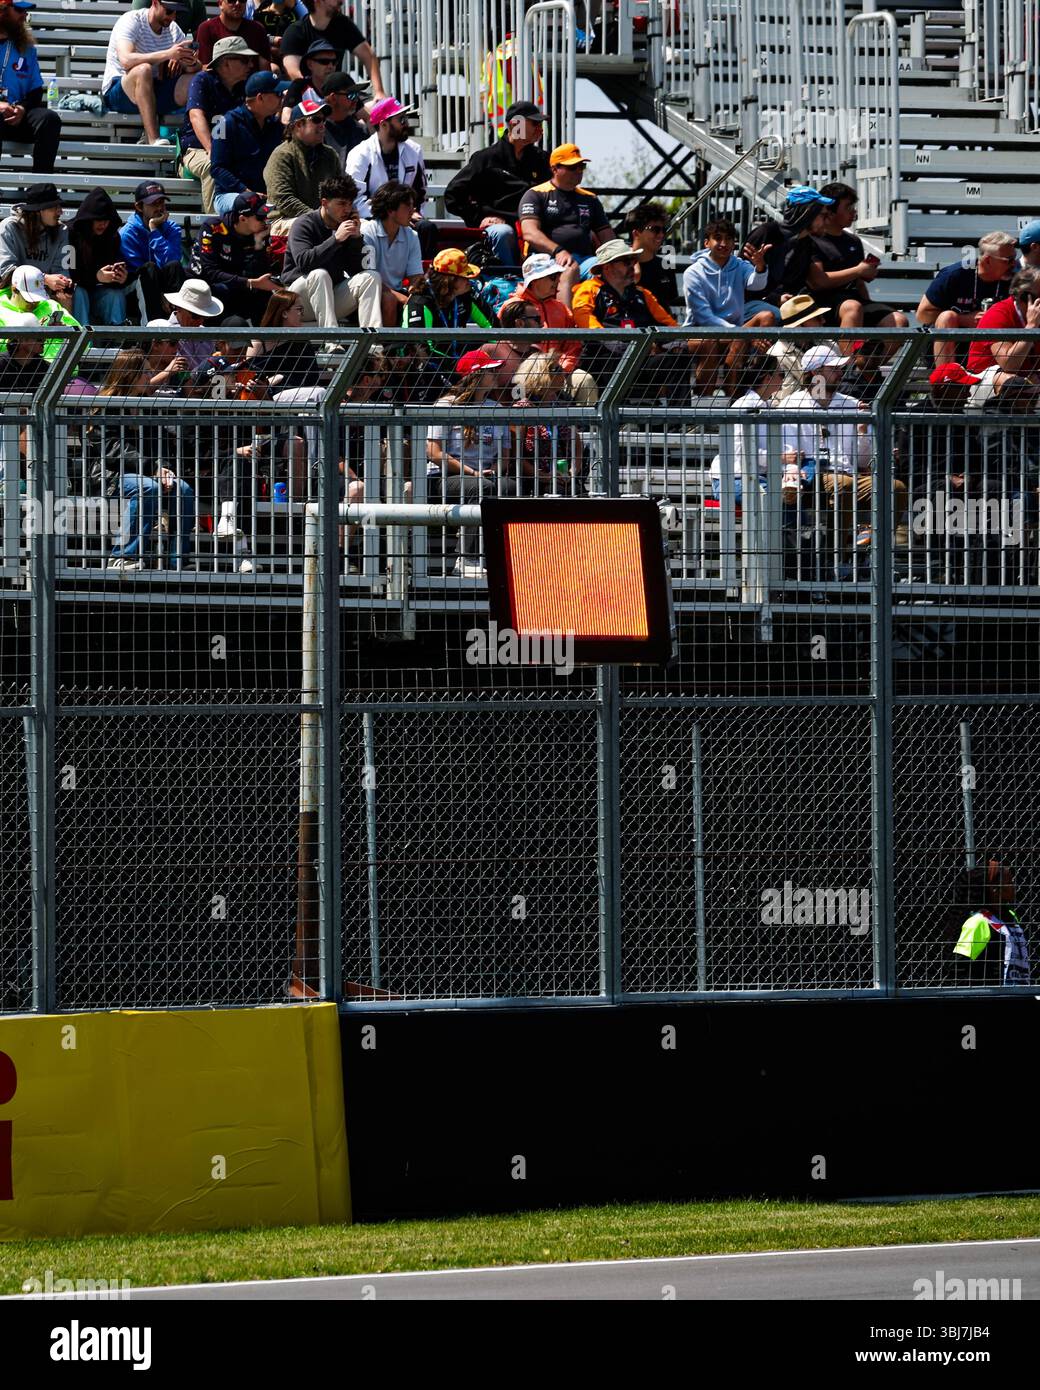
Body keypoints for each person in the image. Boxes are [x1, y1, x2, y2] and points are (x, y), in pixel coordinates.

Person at [780, 344, 907, 557]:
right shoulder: (790, 404)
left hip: (847, 475)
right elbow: (790, 453)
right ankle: (835, 554)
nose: (840, 373)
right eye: (834, 369)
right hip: (810, 478)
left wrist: (862, 430)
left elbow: (862, 460)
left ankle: (872, 552)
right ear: (815, 373)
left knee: (896, 488)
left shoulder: (851, 404)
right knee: (845, 485)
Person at [89, 348, 196, 573]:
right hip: (111, 476)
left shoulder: (147, 404)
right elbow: (112, 450)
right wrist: (153, 469)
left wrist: (165, 470)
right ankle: (122, 555)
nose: (150, 377)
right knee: (148, 488)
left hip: (148, 472)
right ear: (130, 374)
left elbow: (163, 442)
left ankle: (178, 559)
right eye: (146, 372)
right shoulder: (106, 404)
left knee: (183, 489)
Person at [425, 349, 517, 575]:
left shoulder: (496, 409)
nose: (496, 374)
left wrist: (494, 471)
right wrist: (472, 473)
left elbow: (504, 456)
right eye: (489, 370)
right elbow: (434, 453)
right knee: (481, 487)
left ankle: (503, 557)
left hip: (483, 475)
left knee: (510, 487)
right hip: (444, 477)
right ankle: (466, 558)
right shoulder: (446, 406)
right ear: (475, 376)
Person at [571, 238, 695, 402]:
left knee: (677, 357)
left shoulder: (642, 294)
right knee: (610, 357)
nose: (632, 266)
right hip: (605, 363)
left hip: (640, 359)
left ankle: (679, 422)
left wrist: (673, 340)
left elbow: (668, 323)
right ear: (607, 267)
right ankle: (614, 415)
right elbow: (585, 321)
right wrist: (613, 341)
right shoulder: (588, 290)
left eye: (633, 261)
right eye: (626, 261)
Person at [443, 101, 552, 268]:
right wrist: (480, 217)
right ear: (515, 125)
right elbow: (452, 195)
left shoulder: (543, 159)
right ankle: (507, 281)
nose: (540, 129)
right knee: (503, 233)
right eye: (535, 123)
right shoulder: (486, 158)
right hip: (501, 229)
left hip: (534, 226)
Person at [282, 173, 382, 341]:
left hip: (329, 298)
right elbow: (304, 264)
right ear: (325, 203)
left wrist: (356, 239)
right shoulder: (304, 223)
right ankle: (332, 341)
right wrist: (335, 240)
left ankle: (372, 345)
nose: (347, 210)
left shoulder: (346, 227)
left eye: (350, 204)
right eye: (341, 203)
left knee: (371, 277)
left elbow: (358, 271)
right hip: (297, 300)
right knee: (319, 274)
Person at [682, 218, 777, 393]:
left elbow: (756, 284)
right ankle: (705, 401)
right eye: (718, 238)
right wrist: (739, 332)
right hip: (698, 334)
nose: (724, 243)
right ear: (706, 242)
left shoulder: (740, 265)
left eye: (729, 239)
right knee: (715, 340)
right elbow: (704, 317)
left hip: (734, 332)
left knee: (767, 317)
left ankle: (746, 387)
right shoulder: (693, 272)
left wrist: (760, 267)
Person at [808, 182, 908, 338]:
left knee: (898, 321)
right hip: (823, 303)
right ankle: (845, 362)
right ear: (831, 211)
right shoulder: (813, 240)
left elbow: (859, 283)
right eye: (848, 207)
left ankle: (865, 362)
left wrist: (865, 276)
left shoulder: (853, 241)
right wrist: (858, 271)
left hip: (854, 301)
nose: (853, 212)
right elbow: (819, 282)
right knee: (853, 308)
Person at [101, 0, 202, 147]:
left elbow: (195, 68)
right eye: (169, 11)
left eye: (177, 12)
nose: (173, 16)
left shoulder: (173, 29)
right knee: (144, 70)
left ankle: (196, 141)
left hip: (152, 90)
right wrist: (168, 54)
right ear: (155, 3)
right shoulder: (131, 20)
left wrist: (189, 61)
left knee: (196, 79)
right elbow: (126, 60)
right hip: (119, 89)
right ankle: (153, 139)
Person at [346, 96, 436, 257]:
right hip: (371, 218)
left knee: (426, 227)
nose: (406, 123)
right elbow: (355, 199)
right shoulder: (360, 154)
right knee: (367, 231)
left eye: (405, 118)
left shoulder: (413, 150)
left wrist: (411, 212)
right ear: (383, 124)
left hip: (404, 216)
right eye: (401, 119)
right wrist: (391, 215)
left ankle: (422, 279)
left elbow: (420, 192)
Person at [502, 253, 597, 402]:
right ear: (534, 281)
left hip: (558, 373)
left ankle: (582, 426)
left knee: (585, 380)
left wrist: (560, 371)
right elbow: (504, 347)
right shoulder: (512, 306)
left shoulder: (560, 308)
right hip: (522, 373)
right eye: (552, 277)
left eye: (558, 275)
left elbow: (573, 346)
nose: (558, 280)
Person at [402, 248, 496, 398]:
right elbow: (421, 349)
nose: (469, 281)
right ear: (449, 280)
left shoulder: (466, 294)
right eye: (464, 277)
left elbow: (495, 329)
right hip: (424, 373)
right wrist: (458, 369)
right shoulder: (420, 301)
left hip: (456, 366)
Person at [915, 231, 1018, 366]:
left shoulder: (1015, 279)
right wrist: (964, 319)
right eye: (1009, 260)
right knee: (947, 317)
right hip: (952, 345)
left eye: (1015, 258)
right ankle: (947, 380)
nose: (1014, 264)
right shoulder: (955, 275)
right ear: (987, 260)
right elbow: (922, 315)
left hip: (993, 345)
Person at [179, 35, 256, 213]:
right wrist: (212, 149)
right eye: (244, 60)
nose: (250, 65)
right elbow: (196, 116)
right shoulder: (202, 80)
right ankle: (214, 230)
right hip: (196, 150)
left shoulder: (244, 88)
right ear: (226, 63)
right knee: (214, 167)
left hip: (232, 152)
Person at [209, 69, 289, 220]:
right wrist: (246, 192)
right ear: (260, 98)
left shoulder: (276, 127)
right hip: (230, 195)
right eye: (278, 94)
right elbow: (217, 169)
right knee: (250, 202)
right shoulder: (224, 122)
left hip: (266, 197)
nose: (282, 98)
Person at [190, 191, 280, 323]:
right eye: (260, 217)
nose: (265, 221)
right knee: (224, 290)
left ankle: (265, 341)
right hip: (209, 288)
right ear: (243, 218)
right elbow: (209, 272)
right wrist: (249, 282)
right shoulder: (213, 228)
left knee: (266, 295)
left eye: (266, 216)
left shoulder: (258, 233)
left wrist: (259, 242)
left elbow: (261, 274)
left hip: (237, 285)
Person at [518, 143, 612, 268]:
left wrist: (624, 257)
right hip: (545, 260)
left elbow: (607, 236)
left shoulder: (590, 199)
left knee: (610, 268)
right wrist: (558, 251)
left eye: (581, 166)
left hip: (585, 260)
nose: (579, 171)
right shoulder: (535, 194)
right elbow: (530, 233)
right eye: (572, 167)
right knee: (571, 268)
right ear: (554, 169)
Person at [942, 859, 1030, 988]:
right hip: (989, 996)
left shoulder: (1011, 916)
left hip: (1016, 993)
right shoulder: (979, 921)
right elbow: (959, 966)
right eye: (1009, 883)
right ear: (995, 889)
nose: (1014, 886)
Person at [745, 185, 836, 306]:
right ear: (806, 213)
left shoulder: (807, 243)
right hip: (755, 303)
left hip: (788, 303)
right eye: (823, 215)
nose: (828, 221)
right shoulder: (767, 233)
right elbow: (742, 278)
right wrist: (775, 299)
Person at [263, 96, 341, 234]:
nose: (323, 125)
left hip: (321, 220)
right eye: (316, 120)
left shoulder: (330, 155)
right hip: (283, 220)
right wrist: (320, 219)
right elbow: (283, 199)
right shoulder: (282, 155)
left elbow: (340, 192)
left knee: (362, 227)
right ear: (298, 125)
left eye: (324, 120)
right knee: (310, 228)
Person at [510, 352, 586, 494]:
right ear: (541, 375)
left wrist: (572, 472)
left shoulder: (562, 406)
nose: (563, 372)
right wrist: (543, 476)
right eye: (556, 370)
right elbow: (516, 456)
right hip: (535, 480)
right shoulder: (522, 409)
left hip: (564, 477)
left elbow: (577, 444)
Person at [0, 0, 61, 173]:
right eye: (19, 10)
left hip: (15, 117)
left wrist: (22, 108)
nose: (24, 16)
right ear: (2, 10)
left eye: (26, 12)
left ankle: (40, 191)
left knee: (49, 119)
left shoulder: (27, 49)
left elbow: (36, 92)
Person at [965, 266, 1040, 404]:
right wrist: (1031, 328)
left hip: (1026, 382)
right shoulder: (998, 314)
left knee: (1021, 385)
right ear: (1025, 297)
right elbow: (1009, 364)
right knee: (1012, 383)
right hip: (984, 382)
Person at [280, 0, 385, 98]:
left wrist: (379, 92)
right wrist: (313, 95)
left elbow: (368, 56)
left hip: (337, 94)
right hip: (306, 98)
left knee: (379, 111)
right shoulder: (295, 32)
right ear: (318, 1)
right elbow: (293, 70)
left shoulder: (343, 25)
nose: (342, 1)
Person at [118, 180, 186, 321]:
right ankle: (152, 333)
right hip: (136, 293)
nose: (159, 207)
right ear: (139, 206)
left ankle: (178, 328)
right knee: (149, 269)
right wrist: (160, 294)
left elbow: (171, 261)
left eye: (162, 202)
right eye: (153, 203)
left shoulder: (172, 228)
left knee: (175, 266)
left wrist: (154, 230)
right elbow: (138, 274)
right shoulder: (127, 234)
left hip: (164, 289)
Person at [360, 181, 422, 326]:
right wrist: (401, 298)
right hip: (368, 293)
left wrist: (415, 293)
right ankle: (387, 347)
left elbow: (416, 276)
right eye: (407, 206)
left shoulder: (412, 236)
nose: (412, 210)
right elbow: (369, 279)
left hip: (397, 292)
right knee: (389, 299)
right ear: (390, 210)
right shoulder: (366, 233)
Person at [0, 184, 72, 307]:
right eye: (54, 207)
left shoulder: (62, 230)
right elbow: (5, 271)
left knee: (66, 295)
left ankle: (66, 326)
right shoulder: (9, 227)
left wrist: (63, 281)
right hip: (13, 292)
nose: (60, 211)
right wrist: (43, 279)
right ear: (38, 211)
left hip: (44, 294)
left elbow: (61, 268)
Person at [146, 277, 223, 383]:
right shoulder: (161, 331)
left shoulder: (208, 337)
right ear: (178, 308)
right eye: (195, 316)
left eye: (205, 317)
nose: (200, 322)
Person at [68, 190, 127, 327]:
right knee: (79, 292)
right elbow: (69, 275)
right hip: (77, 292)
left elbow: (114, 270)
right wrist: (96, 277)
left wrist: (120, 278)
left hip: (99, 293)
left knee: (115, 295)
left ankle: (117, 343)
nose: (103, 224)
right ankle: (81, 344)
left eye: (107, 220)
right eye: (99, 220)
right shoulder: (70, 233)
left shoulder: (112, 236)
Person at [0, 264, 79, 361]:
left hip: (64, 373)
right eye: (28, 299)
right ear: (14, 289)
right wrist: (21, 338)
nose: (33, 303)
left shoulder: (51, 306)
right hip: (18, 374)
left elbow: (84, 343)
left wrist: (64, 331)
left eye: (37, 298)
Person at [625, 201, 679, 310]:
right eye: (655, 230)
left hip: (663, 325)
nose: (661, 235)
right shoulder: (620, 265)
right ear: (636, 233)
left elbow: (669, 302)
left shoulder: (666, 265)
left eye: (663, 230)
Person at [195, 0, 271, 68]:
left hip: (251, 81)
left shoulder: (257, 29)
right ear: (220, 4)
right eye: (232, 0)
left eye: (242, 0)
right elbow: (204, 66)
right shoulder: (206, 28)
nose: (238, 3)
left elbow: (265, 65)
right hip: (217, 81)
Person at [321, 70, 369, 164]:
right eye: (351, 95)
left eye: (357, 95)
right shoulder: (318, 130)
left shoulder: (361, 130)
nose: (356, 100)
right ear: (333, 98)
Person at [282, 35, 337, 109]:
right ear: (310, 64)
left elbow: (358, 114)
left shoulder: (342, 87)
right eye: (324, 61)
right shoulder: (299, 87)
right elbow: (286, 116)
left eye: (334, 62)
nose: (331, 66)